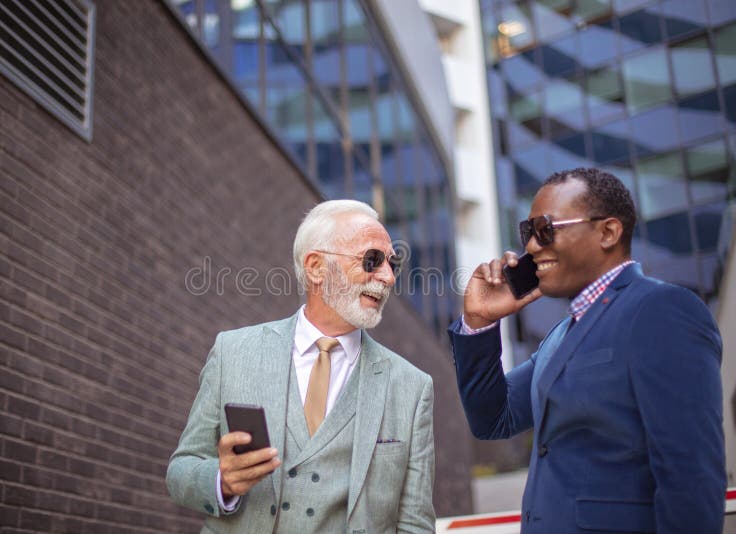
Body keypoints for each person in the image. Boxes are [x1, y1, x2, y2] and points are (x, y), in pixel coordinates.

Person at [448, 168, 725, 533]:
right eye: (528, 232)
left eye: (546, 229)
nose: (531, 246)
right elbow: (493, 418)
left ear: (608, 232)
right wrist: (479, 321)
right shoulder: (562, 334)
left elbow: (691, 479)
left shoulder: (661, 311)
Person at [167, 199, 435, 533]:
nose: (387, 277)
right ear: (316, 267)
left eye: (392, 264)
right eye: (372, 260)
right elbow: (180, 471)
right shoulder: (233, 352)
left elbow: (415, 525)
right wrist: (221, 481)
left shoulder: (412, 387)